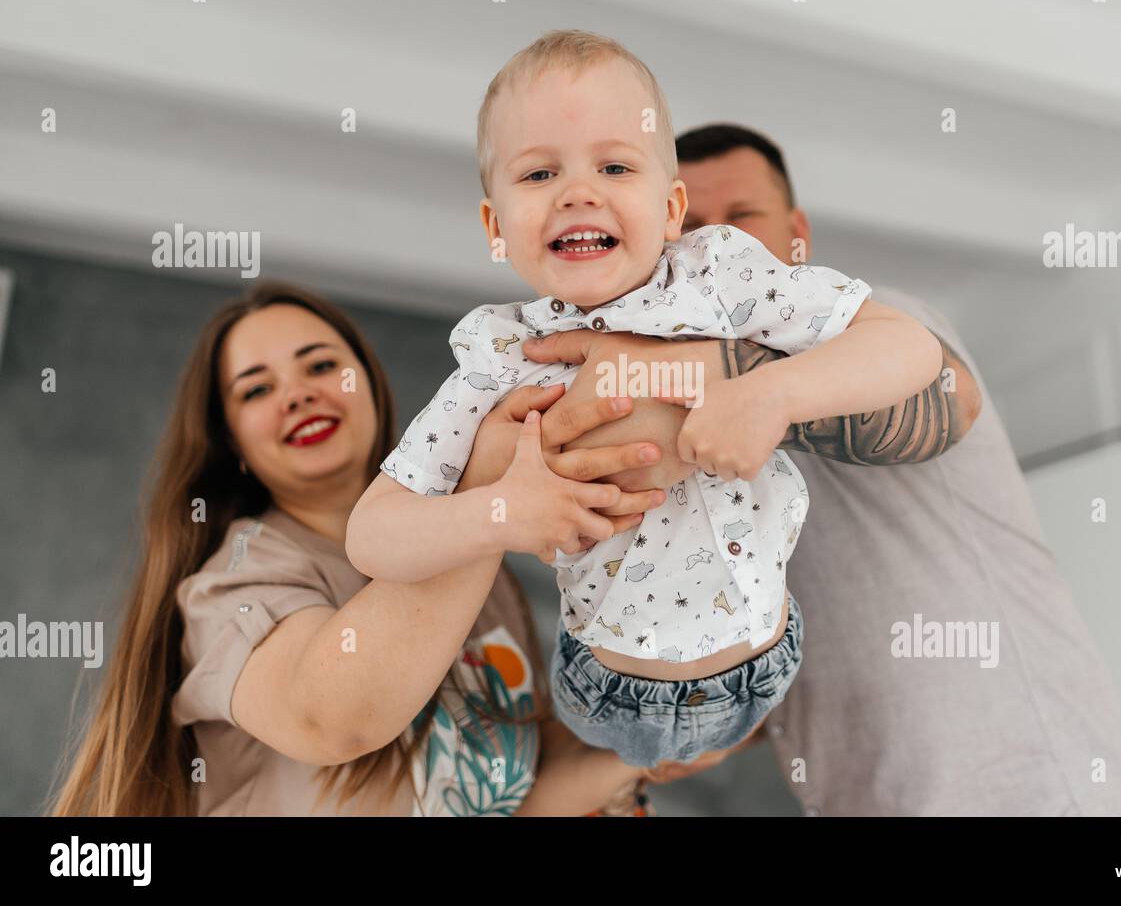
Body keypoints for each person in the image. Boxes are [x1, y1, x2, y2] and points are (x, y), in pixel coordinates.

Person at [346, 30, 943, 770]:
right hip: (608, 686)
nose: (578, 190)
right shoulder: (501, 357)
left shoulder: (721, 279)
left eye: (615, 165)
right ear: (496, 229)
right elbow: (371, 534)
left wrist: (774, 390)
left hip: (769, 651)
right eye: (537, 175)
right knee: (616, 778)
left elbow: (912, 348)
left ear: (671, 209)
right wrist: (506, 511)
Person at [525, 123, 1121, 815]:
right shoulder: (693, 451)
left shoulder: (872, 330)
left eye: (744, 217)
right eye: (692, 225)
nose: (720, 242)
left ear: (797, 237)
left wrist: (687, 374)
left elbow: (945, 396)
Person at [50, 281, 709, 816]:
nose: (299, 392)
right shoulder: (232, 586)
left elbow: (515, 795)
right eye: (256, 389)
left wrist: (654, 742)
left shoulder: (488, 576)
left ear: (369, 384)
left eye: (321, 365)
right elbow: (335, 718)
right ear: (233, 448)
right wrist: (490, 496)